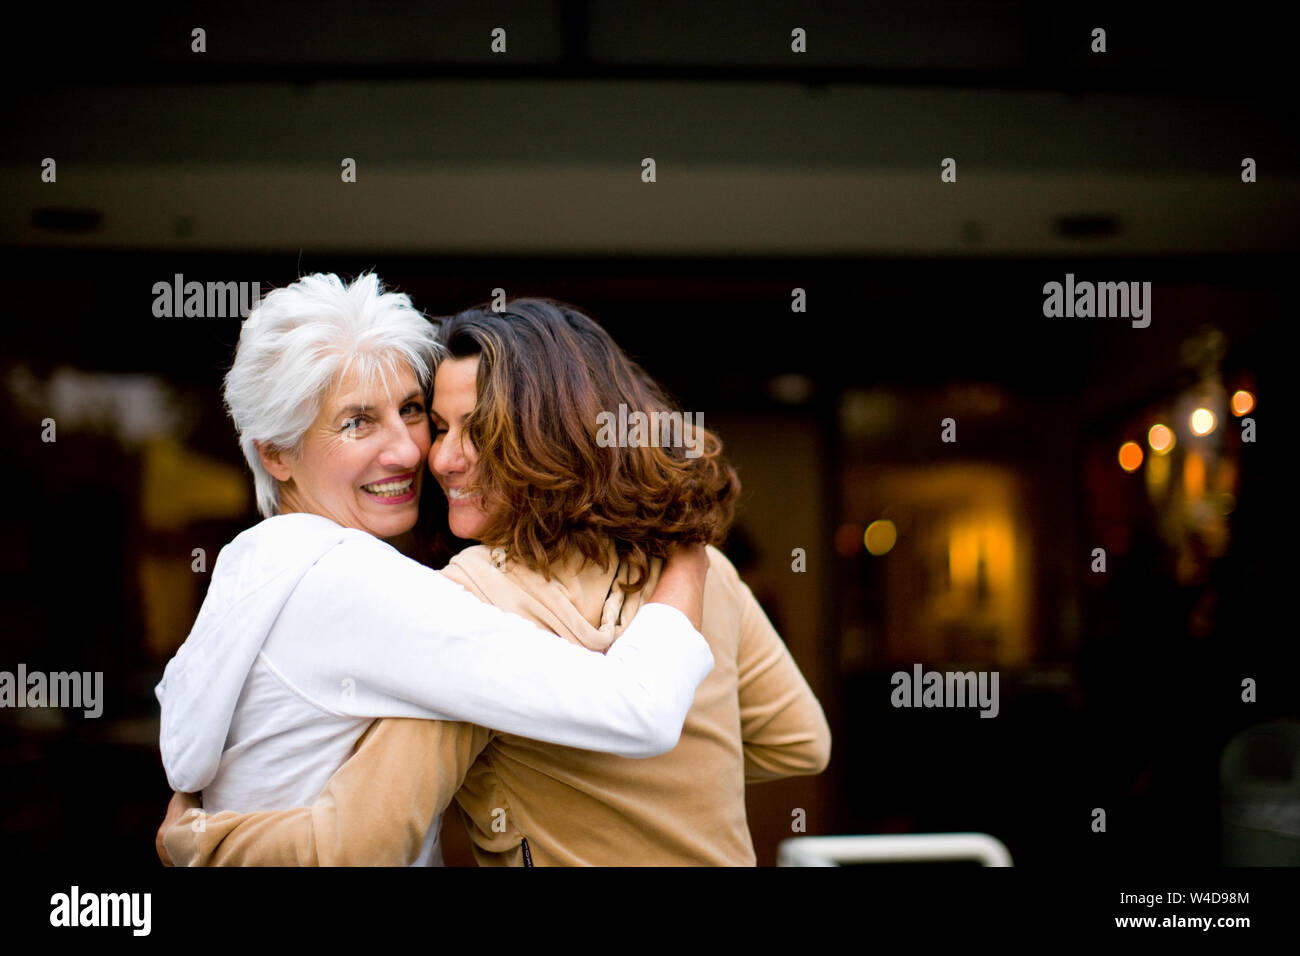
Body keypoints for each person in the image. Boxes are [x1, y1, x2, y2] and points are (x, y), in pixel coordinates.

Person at [161, 298, 830, 866]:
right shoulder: (701, 567)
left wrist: (196, 841)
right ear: (274, 453)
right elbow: (800, 741)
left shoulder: (468, 594)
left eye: (475, 431)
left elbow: (360, 837)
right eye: (441, 425)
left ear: (550, 436)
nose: (435, 457)